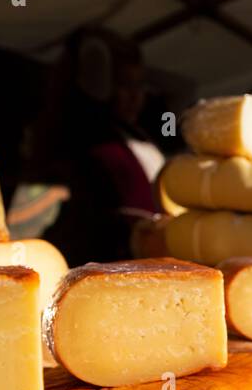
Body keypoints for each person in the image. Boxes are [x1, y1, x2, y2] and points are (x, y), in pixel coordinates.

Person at [29, 27, 160, 266]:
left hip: (149, 259)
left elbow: (184, 86)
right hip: (108, 262)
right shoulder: (85, 128)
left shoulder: (135, 135)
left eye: (139, 86)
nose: (135, 97)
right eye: (123, 85)